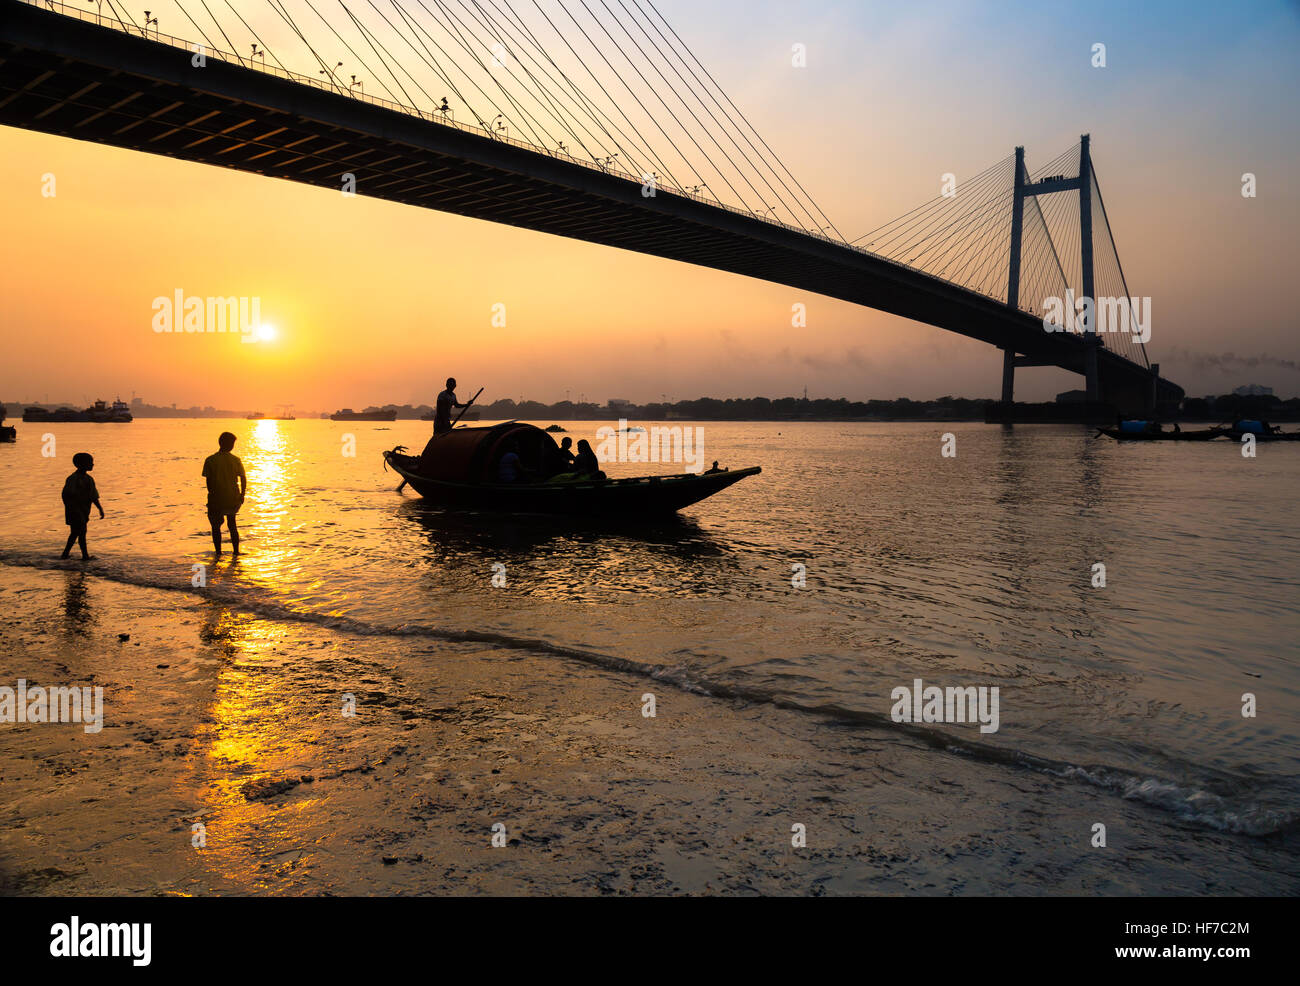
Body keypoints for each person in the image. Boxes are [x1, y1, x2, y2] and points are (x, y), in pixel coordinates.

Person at [202, 432, 247, 556]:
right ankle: (236, 552)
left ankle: (218, 553)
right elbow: (243, 478)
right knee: (232, 524)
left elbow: (209, 482)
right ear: (230, 445)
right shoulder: (235, 460)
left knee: (216, 527)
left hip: (216, 498)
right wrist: (242, 494)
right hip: (232, 498)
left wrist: (213, 494)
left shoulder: (210, 460)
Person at [61, 452, 103, 560]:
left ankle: (65, 554)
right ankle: (85, 556)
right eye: (90, 462)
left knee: (75, 533)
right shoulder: (73, 479)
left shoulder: (89, 479)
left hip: (84, 511)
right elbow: (66, 494)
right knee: (82, 532)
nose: (92, 464)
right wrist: (72, 508)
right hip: (75, 511)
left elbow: (94, 496)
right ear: (82, 464)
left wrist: (100, 508)